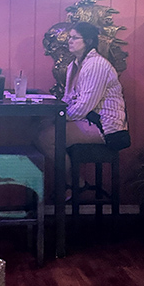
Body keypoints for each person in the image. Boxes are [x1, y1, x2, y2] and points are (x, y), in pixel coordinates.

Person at [37, 21, 128, 176]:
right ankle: (69, 184)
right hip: (87, 120)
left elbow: (84, 107)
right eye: (69, 37)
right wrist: (53, 117)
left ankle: (73, 184)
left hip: (104, 125)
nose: (69, 41)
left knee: (46, 138)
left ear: (89, 41)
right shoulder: (74, 64)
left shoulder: (96, 65)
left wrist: (60, 118)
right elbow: (68, 98)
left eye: (75, 38)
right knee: (39, 127)